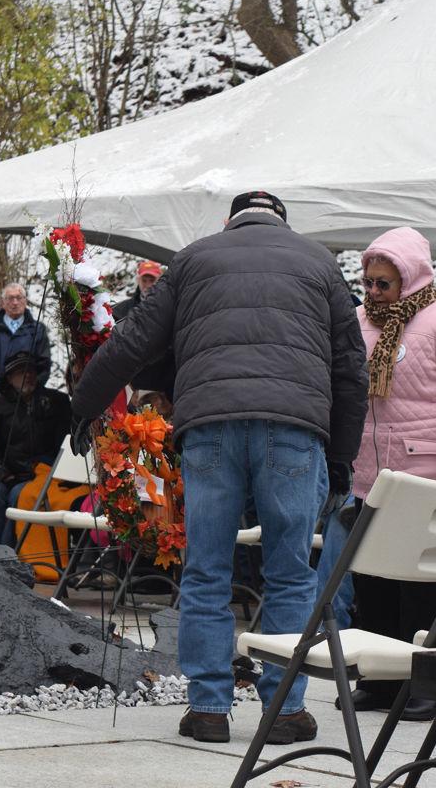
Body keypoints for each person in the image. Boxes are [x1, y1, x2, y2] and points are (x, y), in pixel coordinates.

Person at [69, 190, 368, 745]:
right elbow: (352, 369)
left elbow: (134, 340)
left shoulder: (195, 257)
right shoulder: (320, 263)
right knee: (290, 572)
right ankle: (283, 709)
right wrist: (343, 455)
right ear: (282, 221)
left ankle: (208, 708)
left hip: (209, 425)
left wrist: (86, 403)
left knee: (207, 569)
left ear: (229, 222)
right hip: (295, 427)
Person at [338, 227, 436, 721]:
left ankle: (427, 682)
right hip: (373, 477)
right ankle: (383, 679)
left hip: (431, 475)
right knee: (373, 579)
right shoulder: (357, 323)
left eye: (384, 283)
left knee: (422, 585)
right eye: (368, 283)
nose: (374, 293)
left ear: (411, 278)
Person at [0, 352, 71, 546]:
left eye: (31, 371)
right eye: (21, 371)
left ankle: (7, 555)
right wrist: (4, 475)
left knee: (19, 495)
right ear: (9, 377)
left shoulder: (55, 402)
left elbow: (62, 446)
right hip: (5, 476)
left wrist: (40, 469)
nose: (27, 375)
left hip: (39, 476)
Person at [0, 283, 53, 397]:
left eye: (19, 298)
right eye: (10, 298)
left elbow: (43, 365)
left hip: (28, 401)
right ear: (2, 303)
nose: (15, 302)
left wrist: (29, 390)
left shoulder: (37, 330)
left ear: (25, 301)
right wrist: (0, 390)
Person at [113, 260, 176, 399]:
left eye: (152, 280)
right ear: (138, 280)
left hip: (163, 391)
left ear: (159, 280)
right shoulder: (120, 311)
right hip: (131, 388)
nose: (148, 285)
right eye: (144, 280)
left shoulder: (173, 311)